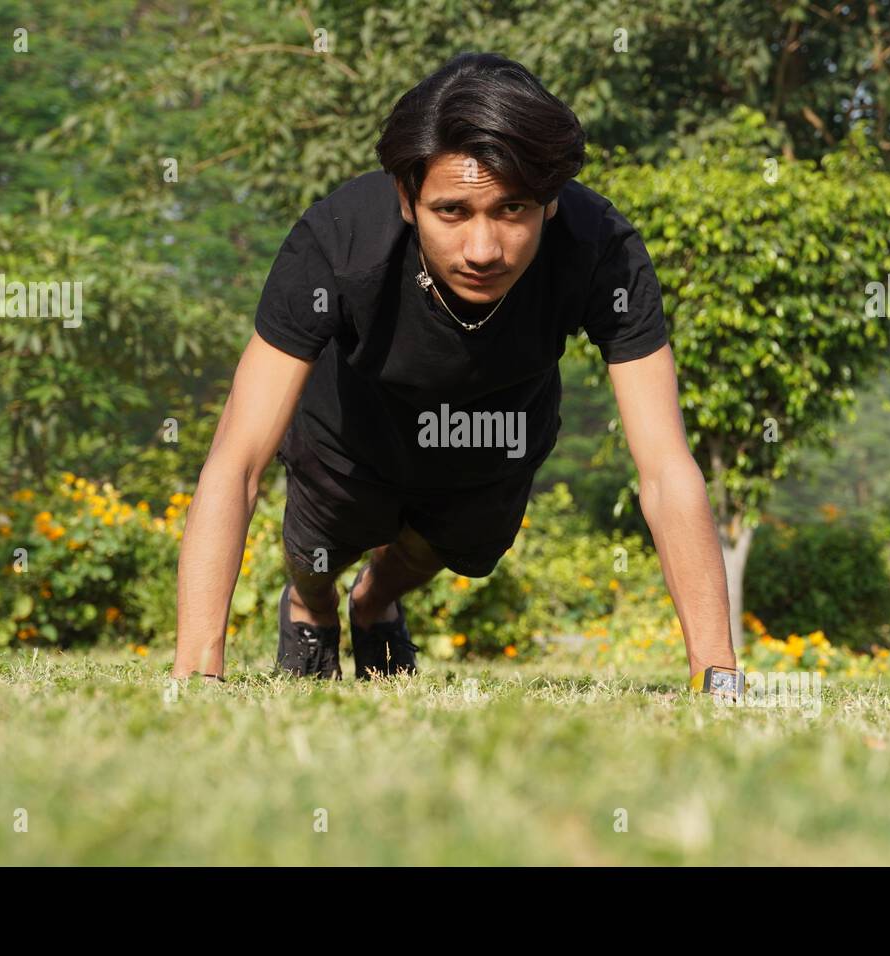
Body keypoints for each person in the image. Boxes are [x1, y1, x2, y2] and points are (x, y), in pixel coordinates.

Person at [171, 52, 737, 685]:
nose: (483, 250)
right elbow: (236, 461)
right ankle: (313, 604)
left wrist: (718, 675)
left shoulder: (601, 250)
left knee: (458, 549)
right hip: (349, 439)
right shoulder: (337, 242)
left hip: (494, 441)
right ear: (407, 200)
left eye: (512, 210)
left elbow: (664, 467)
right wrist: (197, 677)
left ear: (549, 202)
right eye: (452, 212)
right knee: (319, 551)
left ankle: (374, 601)